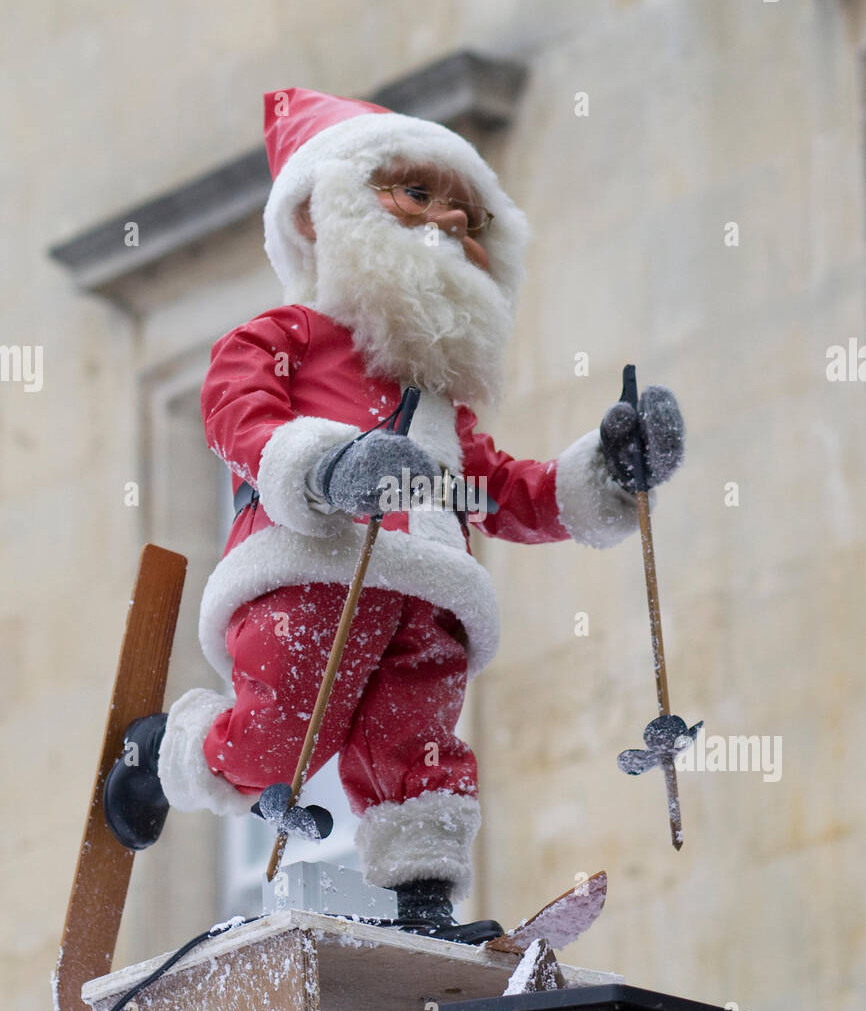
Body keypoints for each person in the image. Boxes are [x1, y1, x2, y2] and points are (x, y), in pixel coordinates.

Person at [104, 87, 684, 943]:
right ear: (319, 210)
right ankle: (165, 754)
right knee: (277, 741)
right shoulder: (283, 335)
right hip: (312, 573)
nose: (449, 221)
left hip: (430, 598)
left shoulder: (440, 405)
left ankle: (423, 911)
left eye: (469, 212)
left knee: (418, 754)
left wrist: (606, 471)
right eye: (416, 194)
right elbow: (238, 417)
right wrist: (328, 466)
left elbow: (502, 492)